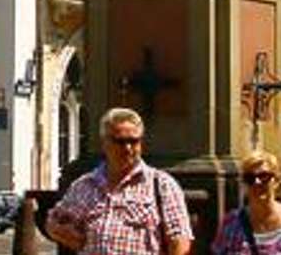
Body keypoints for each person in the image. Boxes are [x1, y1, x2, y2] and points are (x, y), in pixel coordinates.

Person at [46, 107, 193, 255]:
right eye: (120, 141)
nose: (128, 148)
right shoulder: (85, 185)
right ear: (104, 143)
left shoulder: (162, 185)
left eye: (134, 141)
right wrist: (61, 232)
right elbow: (54, 222)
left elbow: (180, 240)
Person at [209, 149, 281, 255]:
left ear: (276, 181)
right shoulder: (232, 223)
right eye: (250, 178)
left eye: (264, 176)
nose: (257, 183)